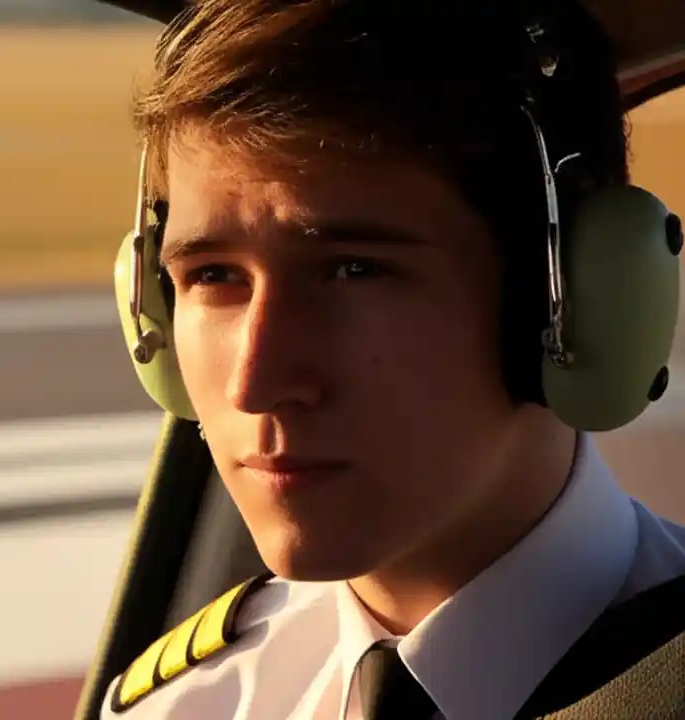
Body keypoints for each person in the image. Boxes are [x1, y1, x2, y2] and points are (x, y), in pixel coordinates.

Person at [100, 1, 685, 718]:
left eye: (353, 270)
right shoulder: (186, 705)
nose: (258, 382)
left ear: (569, 300)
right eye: (214, 276)